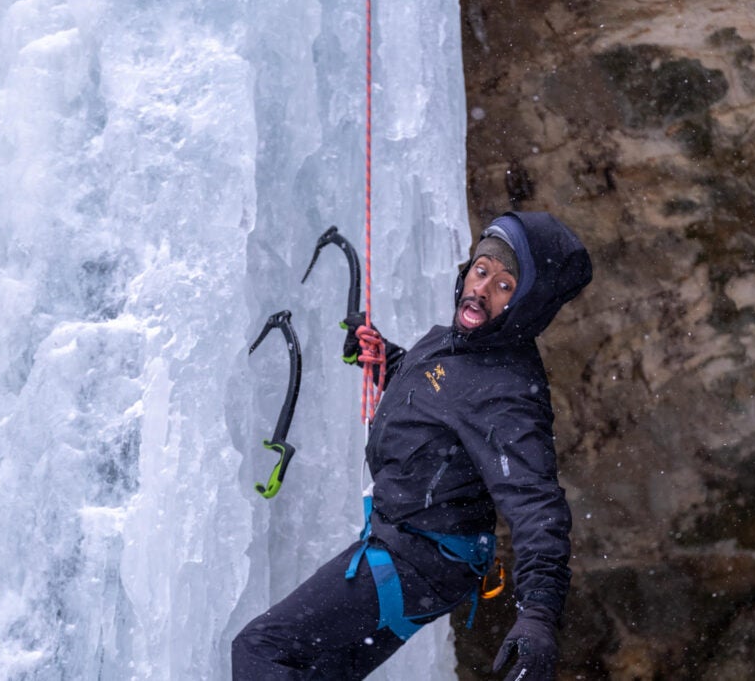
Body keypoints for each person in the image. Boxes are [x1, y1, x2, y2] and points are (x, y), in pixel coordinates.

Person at [233, 211, 592, 680]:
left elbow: (536, 505)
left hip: (417, 561)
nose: (481, 290)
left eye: (504, 285)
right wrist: (387, 360)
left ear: (525, 305)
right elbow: (442, 401)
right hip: (417, 557)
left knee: (262, 650)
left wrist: (539, 615)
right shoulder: (452, 343)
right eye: (481, 271)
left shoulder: (508, 393)